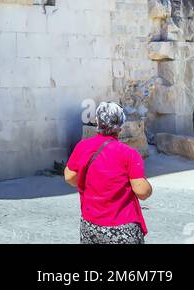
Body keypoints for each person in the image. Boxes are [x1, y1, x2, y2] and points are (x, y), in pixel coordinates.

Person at [64, 101, 152, 244]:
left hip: (91, 226)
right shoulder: (128, 154)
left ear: (98, 122)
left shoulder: (83, 147)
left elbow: (69, 177)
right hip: (122, 227)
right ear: (120, 125)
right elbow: (142, 191)